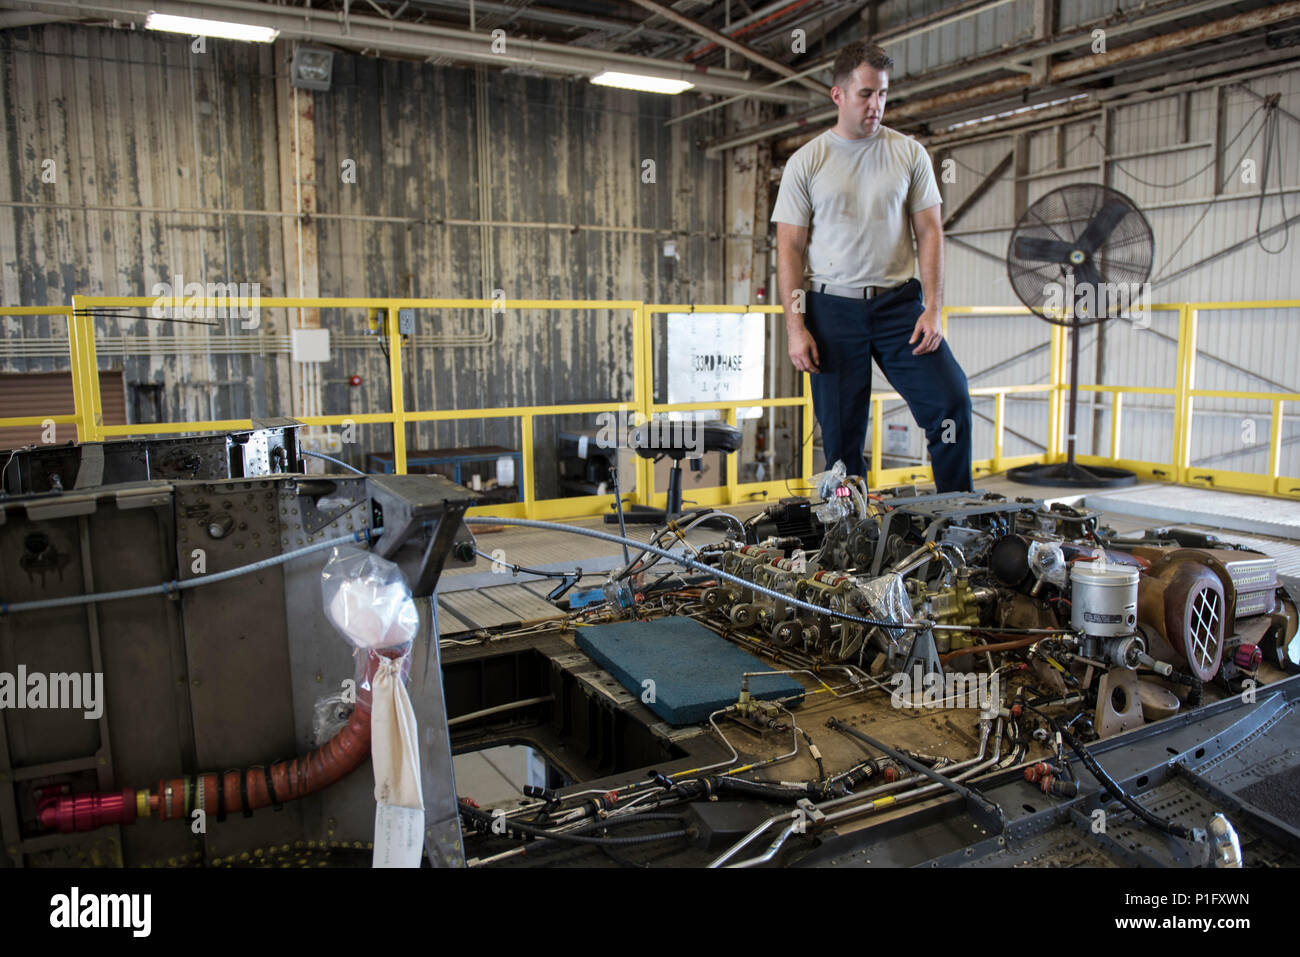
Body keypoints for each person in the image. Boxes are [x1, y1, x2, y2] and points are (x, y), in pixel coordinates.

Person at [771, 41, 973, 493]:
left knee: (950, 399)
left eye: (883, 94)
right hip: (831, 310)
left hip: (900, 307)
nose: (876, 105)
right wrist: (795, 328)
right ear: (837, 95)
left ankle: (961, 516)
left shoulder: (909, 154)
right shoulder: (807, 161)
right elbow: (789, 249)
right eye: (866, 94)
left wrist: (934, 307)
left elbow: (930, 233)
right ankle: (852, 537)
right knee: (842, 441)